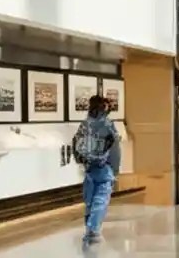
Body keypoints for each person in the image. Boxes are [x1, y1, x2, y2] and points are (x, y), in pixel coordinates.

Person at [73, 95, 120, 245]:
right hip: (104, 167)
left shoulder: (85, 124)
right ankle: (93, 229)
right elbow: (115, 149)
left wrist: (81, 161)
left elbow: (76, 144)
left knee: (90, 199)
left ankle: (89, 227)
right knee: (101, 198)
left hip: (89, 168)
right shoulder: (107, 125)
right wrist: (115, 170)